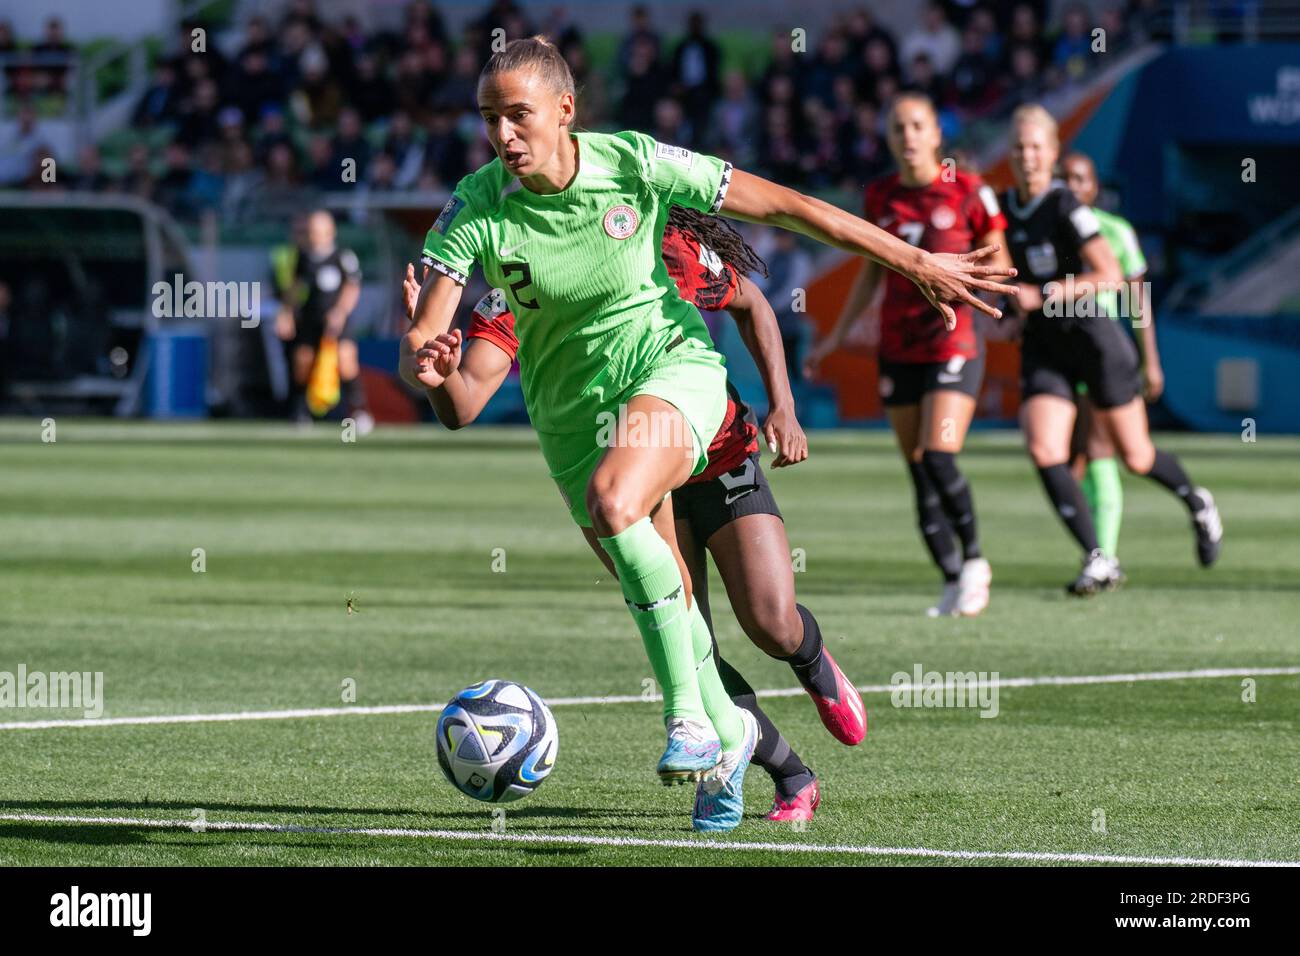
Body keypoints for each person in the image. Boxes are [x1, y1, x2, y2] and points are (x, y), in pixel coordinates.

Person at [402, 37, 1015, 831]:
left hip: (674, 375)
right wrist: (430, 366)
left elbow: (790, 208)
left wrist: (914, 261)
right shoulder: (478, 206)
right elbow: (439, 363)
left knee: (690, 559)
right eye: (490, 119)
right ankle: (735, 751)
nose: (503, 136)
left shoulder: (635, 164)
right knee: (675, 606)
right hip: (574, 427)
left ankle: (697, 719)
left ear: (564, 109)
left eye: (518, 115)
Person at [403, 204, 862, 822]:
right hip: (627, 479)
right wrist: (437, 372)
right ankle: (783, 769)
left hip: (714, 449)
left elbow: (752, 303)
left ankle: (809, 658)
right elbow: (462, 405)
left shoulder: (654, 248)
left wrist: (783, 405)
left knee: (769, 621)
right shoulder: (513, 297)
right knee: (684, 631)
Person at [1001, 105, 1222, 594]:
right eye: (1019, 147)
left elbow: (1111, 275)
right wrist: (1009, 313)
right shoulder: (1003, 209)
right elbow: (1006, 276)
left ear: (1052, 153)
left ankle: (1196, 500)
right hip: (1043, 345)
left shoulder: (1066, 207)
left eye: (1037, 146)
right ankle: (1098, 557)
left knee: (1136, 457)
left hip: (1094, 340)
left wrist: (1051, 293)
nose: (1027, 156)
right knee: (1044, 447)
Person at [806, 93, 1009, 617]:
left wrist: (976, 294)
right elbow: (871, 271)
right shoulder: (880, 197)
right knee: (917, 465)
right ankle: (950, 578)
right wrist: (835, 337)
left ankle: (976, 563)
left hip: (954, 341)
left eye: (918, 125)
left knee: (940, 455)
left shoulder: (970, 191)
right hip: (898, 346)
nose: (909, 136)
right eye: (898, 127)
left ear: (937, 133)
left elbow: (998, 259)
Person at [1062, 151, 1164, 562]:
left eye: (1079, 178)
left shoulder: (1115, 232)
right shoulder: (1049, 228)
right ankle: (1098, 554)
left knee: (1100, 448)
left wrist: (1150, 360)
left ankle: (1104, 556)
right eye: (1064, 178)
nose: (1071, 186)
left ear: (1093, 187)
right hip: (1060, 357)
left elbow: (1139, 303)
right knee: (1072, 460)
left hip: (1103, 355)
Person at [276, 209, 372, 430]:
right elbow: (295, 287)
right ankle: (300, 412)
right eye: (310, 231)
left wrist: (340, 312)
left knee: (345, 361)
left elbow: (352, 287)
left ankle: (359, 412)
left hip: (337, 320)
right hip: (311, 317)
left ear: (330, 232)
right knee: (303, 362)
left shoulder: (342, 256)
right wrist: (287, 312)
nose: (313, 236)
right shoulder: (302, 256)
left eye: (318, 231)